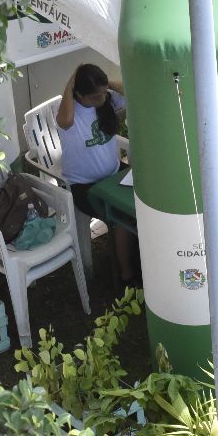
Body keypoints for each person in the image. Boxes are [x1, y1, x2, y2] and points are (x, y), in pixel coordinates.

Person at [55, 63, 138, 286]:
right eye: (94, 96)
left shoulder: (107, 100)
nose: (101, 98)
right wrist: (71, 80)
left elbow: (134, 90)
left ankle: (137, 258)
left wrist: (105, 85)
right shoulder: (69, 114)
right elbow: (65, 120)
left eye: (103, 94)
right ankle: (126, 274)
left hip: (114, 173)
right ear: (78, 93)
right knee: (122, 216)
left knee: (144, 202)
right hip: (83, 186)